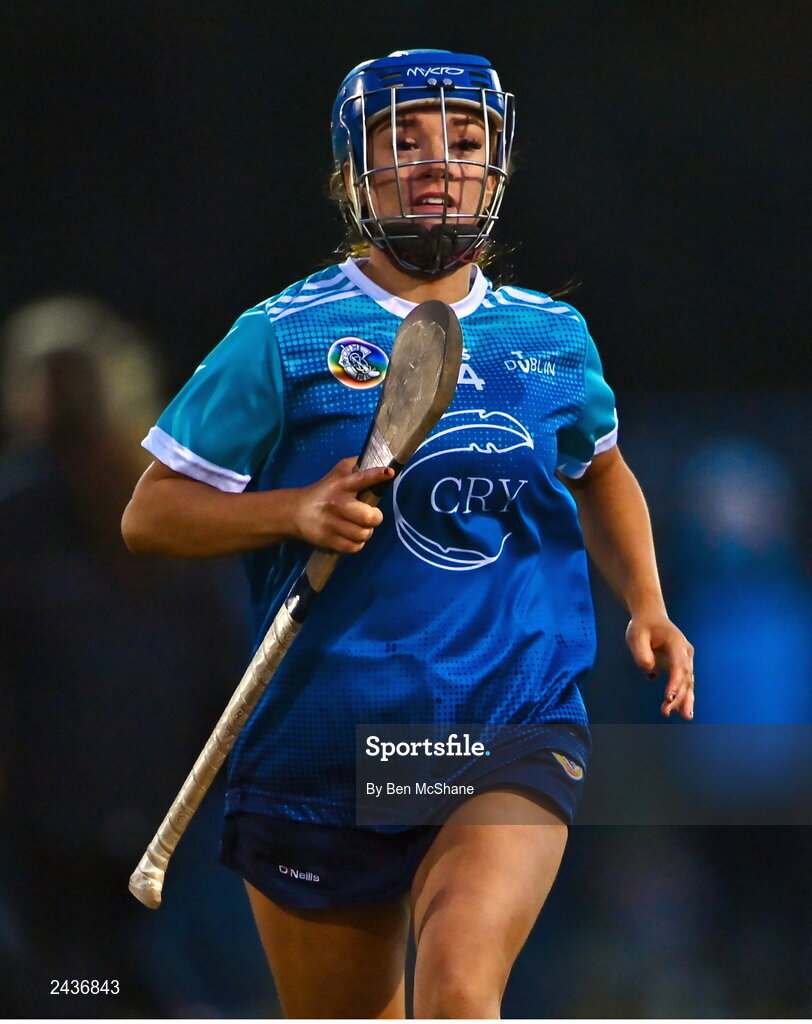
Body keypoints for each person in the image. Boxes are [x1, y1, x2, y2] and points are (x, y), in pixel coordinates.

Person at [122, 49, 695, 1019]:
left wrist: (646, 604)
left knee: (459, 991)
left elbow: (600, 467)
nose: (437, 162)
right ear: (355, 173)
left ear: (496, 165)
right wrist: (291, 510)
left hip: (506, 720)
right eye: (406, 140)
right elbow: (151, 514)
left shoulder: (553, 335)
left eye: (463, 141)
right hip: (323, 749)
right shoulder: (285, 335)